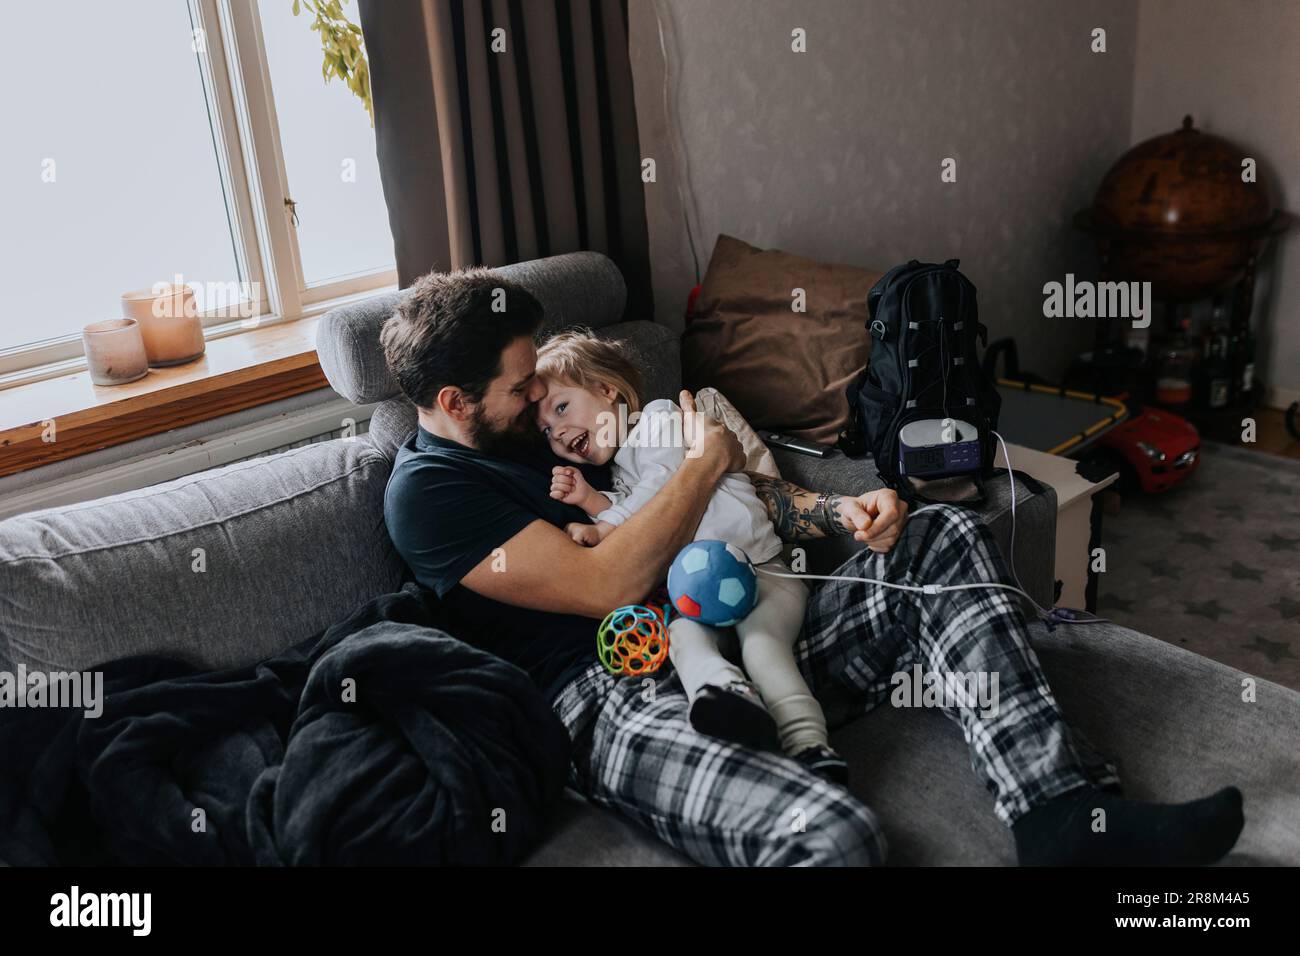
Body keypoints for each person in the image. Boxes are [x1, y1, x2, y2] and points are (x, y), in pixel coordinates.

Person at [380, 267, 1245, 866]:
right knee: (832, 838)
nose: (539, 398)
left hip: (748, 607)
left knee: (937, 535)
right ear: (455, 404)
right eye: (521, 384)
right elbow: (608, 583)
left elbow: (745, 496)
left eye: (542, 381)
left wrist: (841, 511)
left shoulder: (557, 420)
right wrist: (701, 464)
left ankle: (1060, 813)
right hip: (618, 682)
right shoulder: (430, 493)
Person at [535, 330, 846, 783]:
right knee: (682, 642)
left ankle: (810, 746)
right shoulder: (622, 470)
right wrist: (590, 500)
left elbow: (659, 487)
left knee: (763, 647)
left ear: (608, 389)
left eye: (561, 408)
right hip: (693, 591)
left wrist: (601, 526)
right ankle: (728, 699)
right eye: (545, 430)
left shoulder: (660, 421)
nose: (556, 431)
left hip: (761, 571)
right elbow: (646, 518)